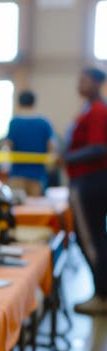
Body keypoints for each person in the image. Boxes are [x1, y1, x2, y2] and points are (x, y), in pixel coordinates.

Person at [63, 68, 107, 314]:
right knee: (95, 238)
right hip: (87, 180)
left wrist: (66, 157)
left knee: (90, 239)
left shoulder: (99, 111)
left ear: (97, 82)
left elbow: (98, 148)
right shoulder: (89, 109)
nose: (79, 84)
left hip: (90, 181)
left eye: (84, 80)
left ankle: (102, 294)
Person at [2, 90, 56, 196]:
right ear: (33, 103)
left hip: (17, 175)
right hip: (37, 175)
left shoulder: (14, 123)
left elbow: (8, 145)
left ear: (19, 103)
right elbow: (52, 147)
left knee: (16, 209)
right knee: (34, 209)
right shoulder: (44, 122)